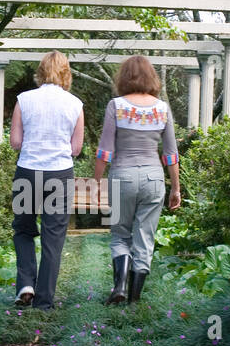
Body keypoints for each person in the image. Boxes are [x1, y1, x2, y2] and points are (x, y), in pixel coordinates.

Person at [93, 54, 181, 304]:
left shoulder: (116, 106)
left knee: (120, 234)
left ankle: (119, 286)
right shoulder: (162, 108)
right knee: (145, 236)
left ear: (123, 77)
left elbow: (105, 150)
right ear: (152, 77)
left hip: (122, 176)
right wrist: (175, 188)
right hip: (154, 179)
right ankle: (134, 299)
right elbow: (170, 153)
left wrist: (96, 182)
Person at [9, 50, 84, 310]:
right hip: (60, 174)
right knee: (53, 237)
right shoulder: (75, 104)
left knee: (23, 229)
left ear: (40, 71)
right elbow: (76, 149)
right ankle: (44, 301)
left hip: (28, 170)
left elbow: (16, 142)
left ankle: (25, 284)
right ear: (66, 73)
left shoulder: (24, 99)